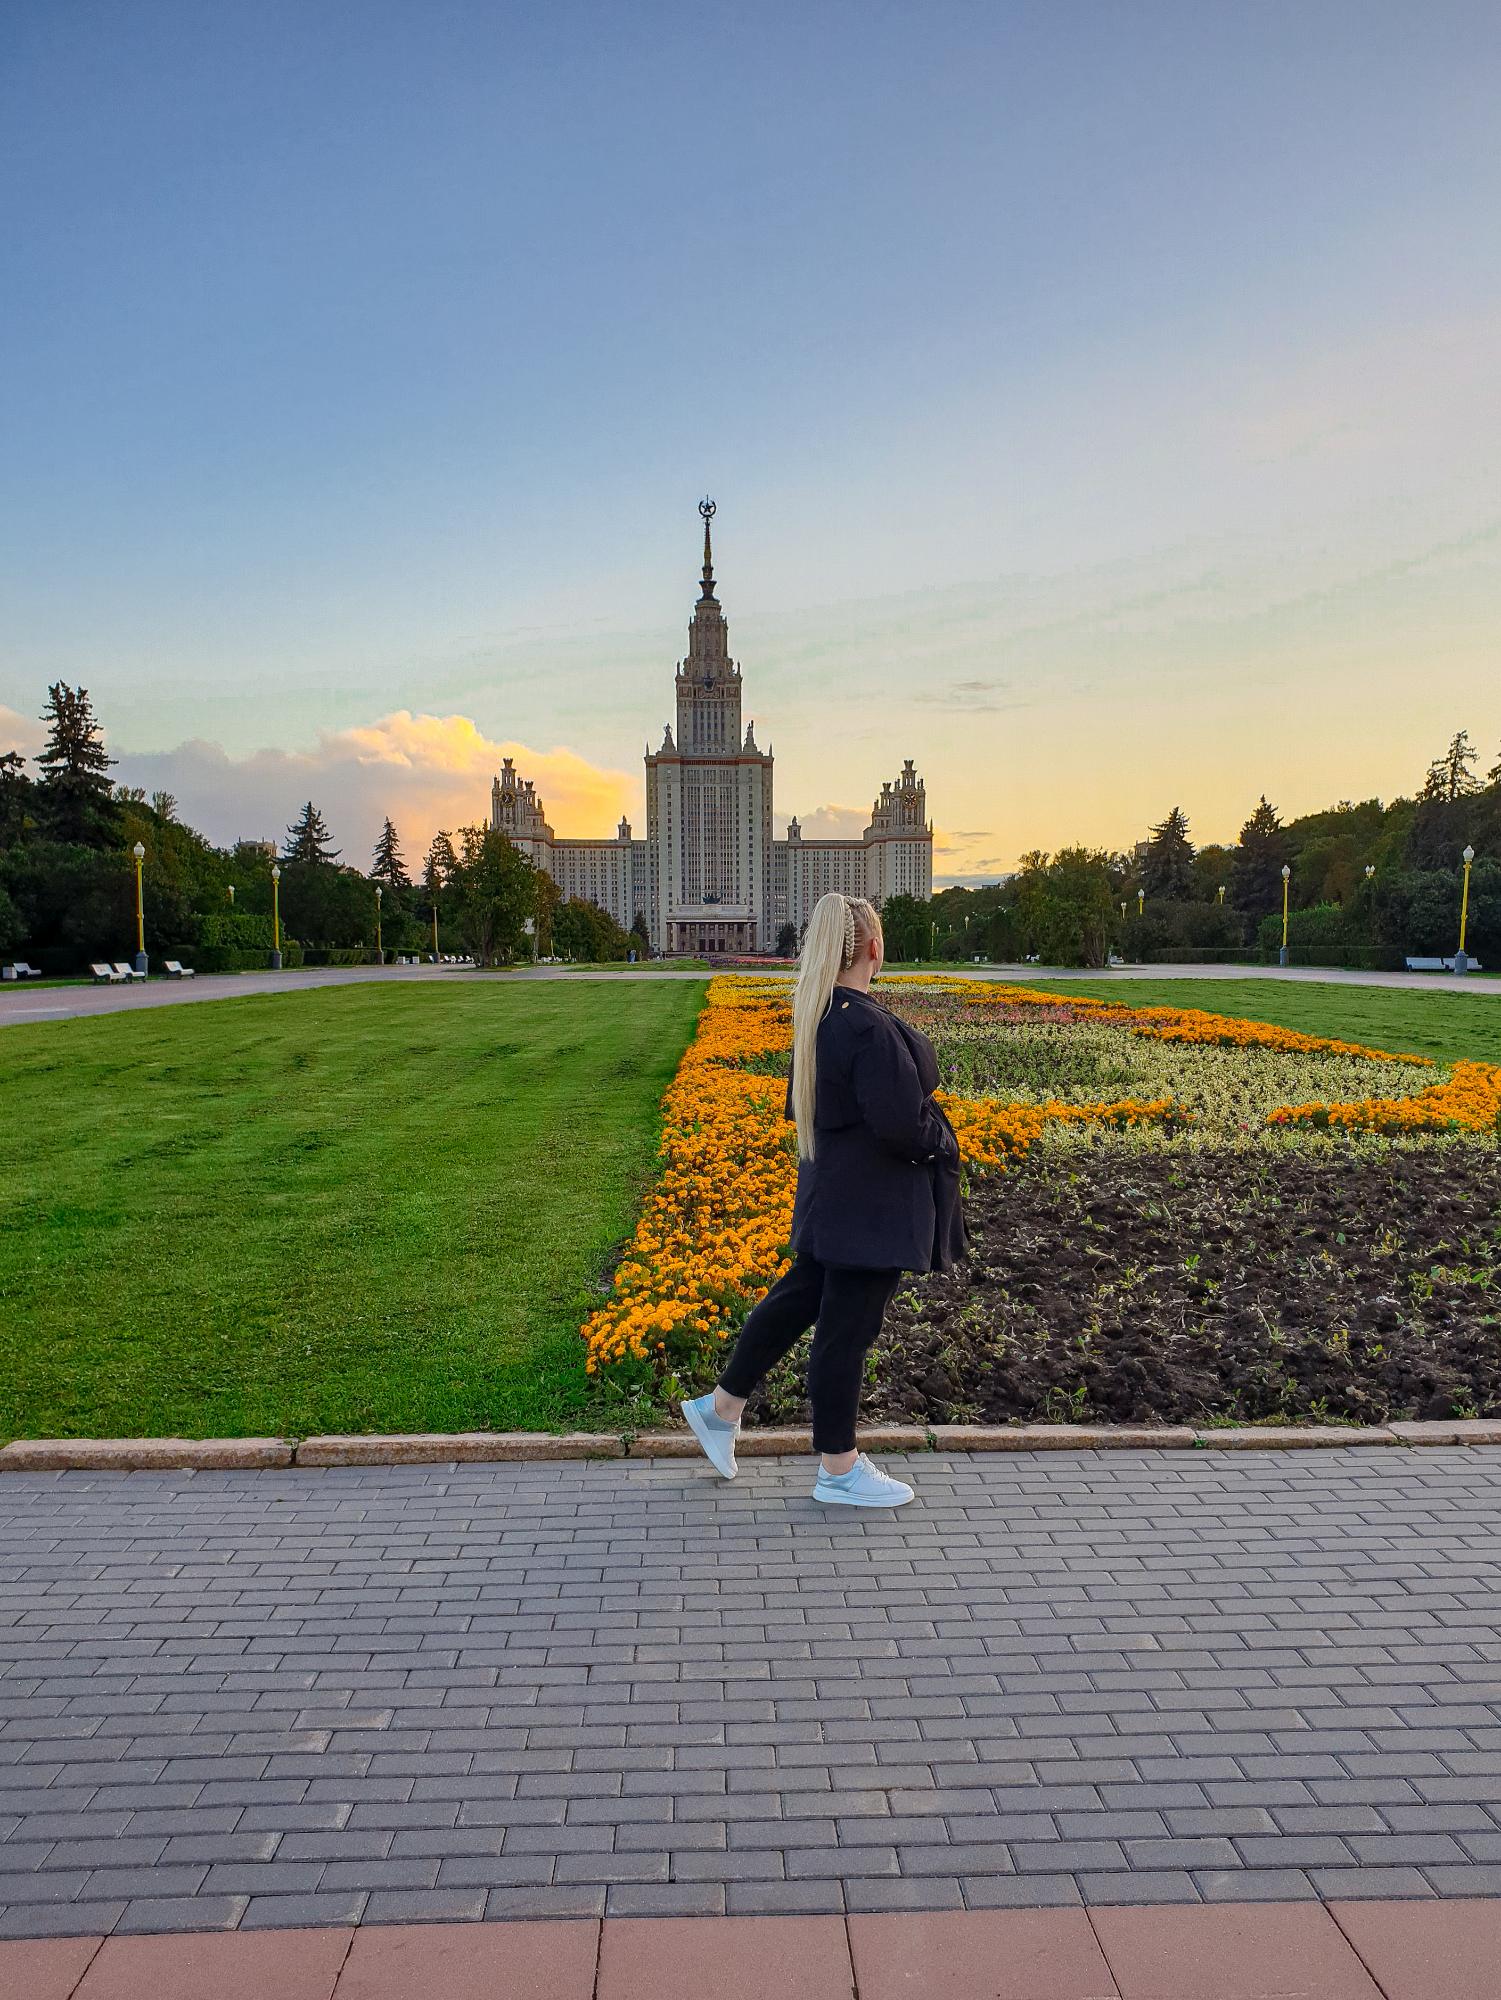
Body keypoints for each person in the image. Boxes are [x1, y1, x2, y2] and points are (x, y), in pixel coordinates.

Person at [681, 892, 966, 1506]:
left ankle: (720, 1410)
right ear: (873, 948)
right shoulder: (861, 1024)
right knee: (845, 1333)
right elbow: (898, 1124)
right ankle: (839, 1468)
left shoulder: (823, 1016)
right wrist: (940, 1140)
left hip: (836, 1194)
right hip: (869, 1207)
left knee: (796, 1303)